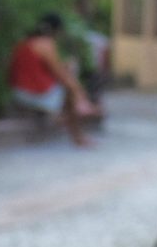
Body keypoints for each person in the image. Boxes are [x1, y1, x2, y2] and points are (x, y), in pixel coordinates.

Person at [7, 13, 100, 147]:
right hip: (33, 94)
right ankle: (79, 136)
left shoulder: (25, 43)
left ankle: (75, 109)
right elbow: (61, 76)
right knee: (69, 88)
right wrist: (79, 92)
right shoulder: (46, 44)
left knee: (69, 77)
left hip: (18, 92)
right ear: (57, 30)